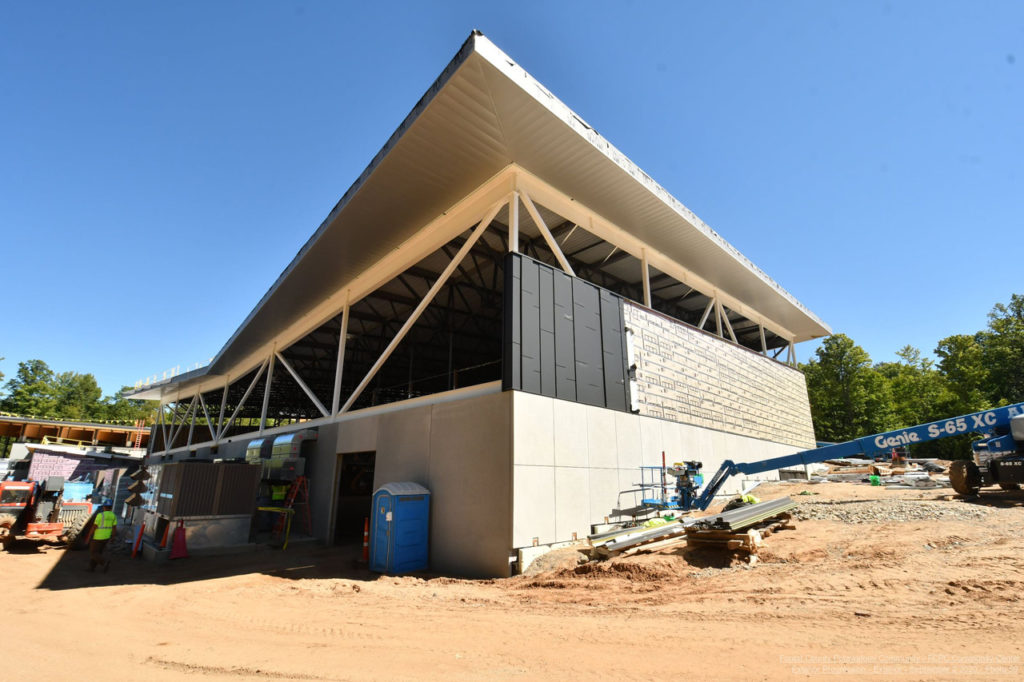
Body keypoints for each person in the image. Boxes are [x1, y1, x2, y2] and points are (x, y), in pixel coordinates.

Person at [87, 499, 117, 572]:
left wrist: (89, 536)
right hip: (106, 537)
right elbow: (114, 528)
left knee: (93, 553)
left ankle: (104, 562)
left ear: (104, 507)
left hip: (98, 537)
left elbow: (94, 527)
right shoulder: (113, 516)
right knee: (98, 553)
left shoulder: (100, 515)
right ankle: (91, 568)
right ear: (111, 507)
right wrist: (113, 537)